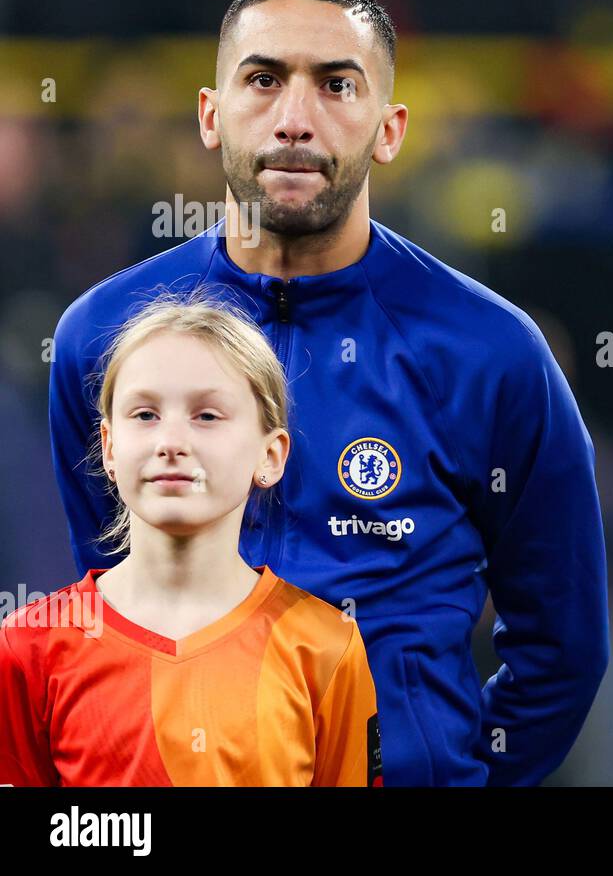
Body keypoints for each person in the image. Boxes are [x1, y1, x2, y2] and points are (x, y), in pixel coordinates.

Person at [48, 0, 608, 786]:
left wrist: (453, 772)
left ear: (389, 128)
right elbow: (103, 597)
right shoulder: (102, 336)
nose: (296, 120)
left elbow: (565, 645)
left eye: (337, 85)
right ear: (211, 115)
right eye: (264, 80)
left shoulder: (491, 353)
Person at [4, 294, 381, 786]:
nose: (172, 442)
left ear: (270, 455)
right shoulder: (29, 645)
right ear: (110, 447)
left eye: (207, 415)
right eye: (144, 414)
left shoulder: (326, 645)